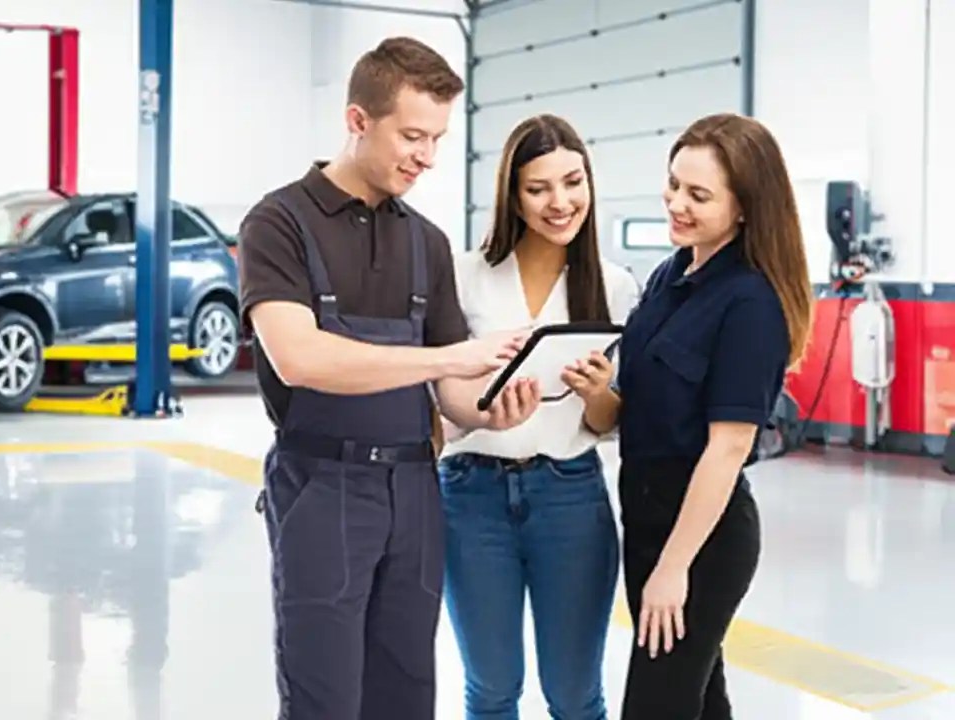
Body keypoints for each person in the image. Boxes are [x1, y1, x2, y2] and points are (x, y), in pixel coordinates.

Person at [236, 37, 544, 720]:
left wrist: (492, 407)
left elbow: (451, 393)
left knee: (406, 695)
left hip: (414, 488)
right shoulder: (278, 223)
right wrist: (447, 362)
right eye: (411, 135)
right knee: (325, 695)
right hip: (322, 486)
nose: (427, 156)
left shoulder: (426, 241)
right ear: (356, 121)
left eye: (436, 137)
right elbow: (301, 359)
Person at [584, 113, 814, 718]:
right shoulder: (668, 275)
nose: (676, 204)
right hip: (645, 517)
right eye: (673, 185)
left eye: (698, 195)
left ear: (744, 207)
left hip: (702, 539)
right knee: (700, 698)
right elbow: (629, 412)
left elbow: (727, 449)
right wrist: (592, 393)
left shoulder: (751, 302)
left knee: (656, 704)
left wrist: (673, 568)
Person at [436, 114, 641, 720]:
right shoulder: (462, 275)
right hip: (471, 495)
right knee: (492, 690)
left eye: (573, 182)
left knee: (576, 696)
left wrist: (600, 391)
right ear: (512, 196)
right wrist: (481, 412)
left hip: (570, 496)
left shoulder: (615, 286)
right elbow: (439, 396)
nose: (561, 202)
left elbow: (608, 422)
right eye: (539, 188)